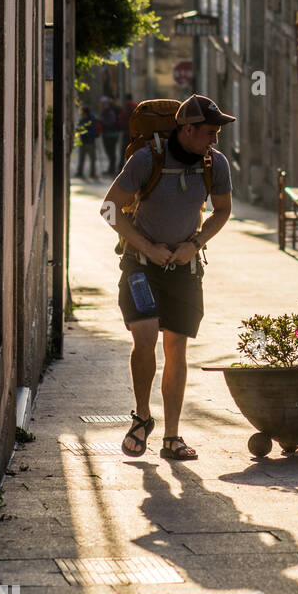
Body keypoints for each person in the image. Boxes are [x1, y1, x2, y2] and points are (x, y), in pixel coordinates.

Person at [100, 94, 234, 461]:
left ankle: (172, 437)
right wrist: (148, 247)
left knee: (176, 347)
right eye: (210, 132)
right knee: (144, 337)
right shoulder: (147, 160)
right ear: (187, 129)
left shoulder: (215, 163)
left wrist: (196, 242)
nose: (216, 140)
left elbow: (222, 211)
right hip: (141, 267)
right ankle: (142, 417)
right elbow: (110, 209)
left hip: (185, 268)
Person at [76, 106, 100, 180]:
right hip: (84, 142)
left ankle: (92, 173)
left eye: (82, 113)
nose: (81, 114)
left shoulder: (92, 121)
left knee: (92, 158)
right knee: (81, 158)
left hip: (90, 142)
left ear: (85, 113)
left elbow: (92, 131)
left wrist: (85, 133)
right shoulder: (82, 120)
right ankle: (80, 172)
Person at [99, 95, 121, 176]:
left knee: (111, 153)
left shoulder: (109, 112)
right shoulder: (106, 111)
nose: (101, 105)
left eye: (103, 103)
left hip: (111, 135)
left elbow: (111, 122)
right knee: (110, 153)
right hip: (108, 134)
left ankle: (112, 170)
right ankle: (111, 169)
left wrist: (102, 122)